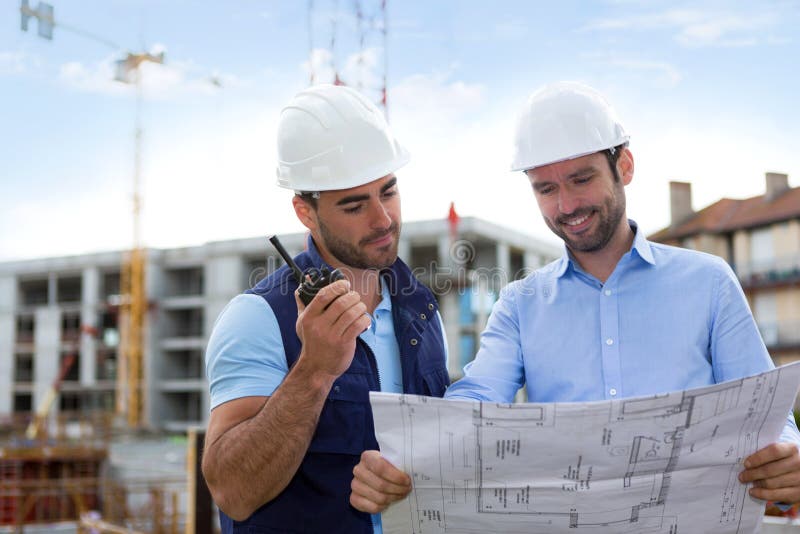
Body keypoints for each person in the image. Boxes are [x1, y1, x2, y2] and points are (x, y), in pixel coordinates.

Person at [349, 81, 800, 515]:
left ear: (624, 166)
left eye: (581, 179)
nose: (566, 206)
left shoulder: (709, 282)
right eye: (546, 188)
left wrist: (788, 457)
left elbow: (766, 412)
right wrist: (405, 459)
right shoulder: (520, 304)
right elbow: (476, 401)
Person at [202, 84, 450, 533]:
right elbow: (233, 492)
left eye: (388, 192)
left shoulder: (423, 311)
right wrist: (315, 369)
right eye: (354, 206)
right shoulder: (258, 318)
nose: (383, 219)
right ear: (305, 212)